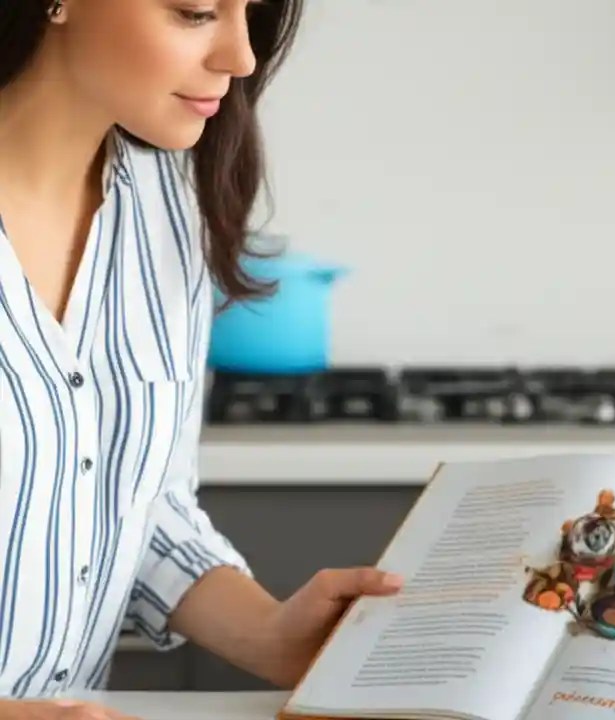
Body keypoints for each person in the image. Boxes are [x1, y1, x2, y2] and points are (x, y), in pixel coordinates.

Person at [0, 1, 403, 717]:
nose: (242, 58)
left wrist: (271, 634)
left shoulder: (166, 203)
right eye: (195, 12)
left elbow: (140, 500)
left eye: (251, 12)